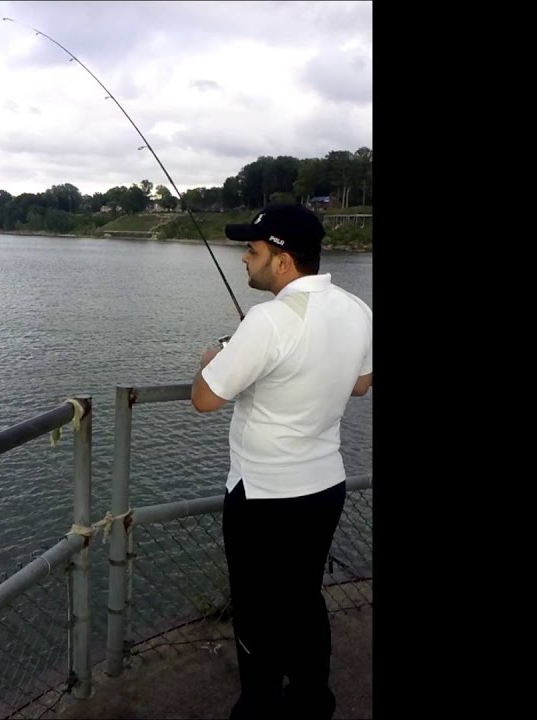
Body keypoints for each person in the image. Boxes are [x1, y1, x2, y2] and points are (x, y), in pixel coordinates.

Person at [190, 203, 372, 720]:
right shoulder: (356, 309)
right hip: (325, 487)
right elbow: (360, 385)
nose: (245, 260)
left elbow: (205, 399)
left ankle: (260, 705)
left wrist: (215, 355)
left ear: (284, 261)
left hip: (263, 496)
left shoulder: (267, 321)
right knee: (304, 599)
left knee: (255, 610)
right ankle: (314, 699)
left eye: (253, 250)